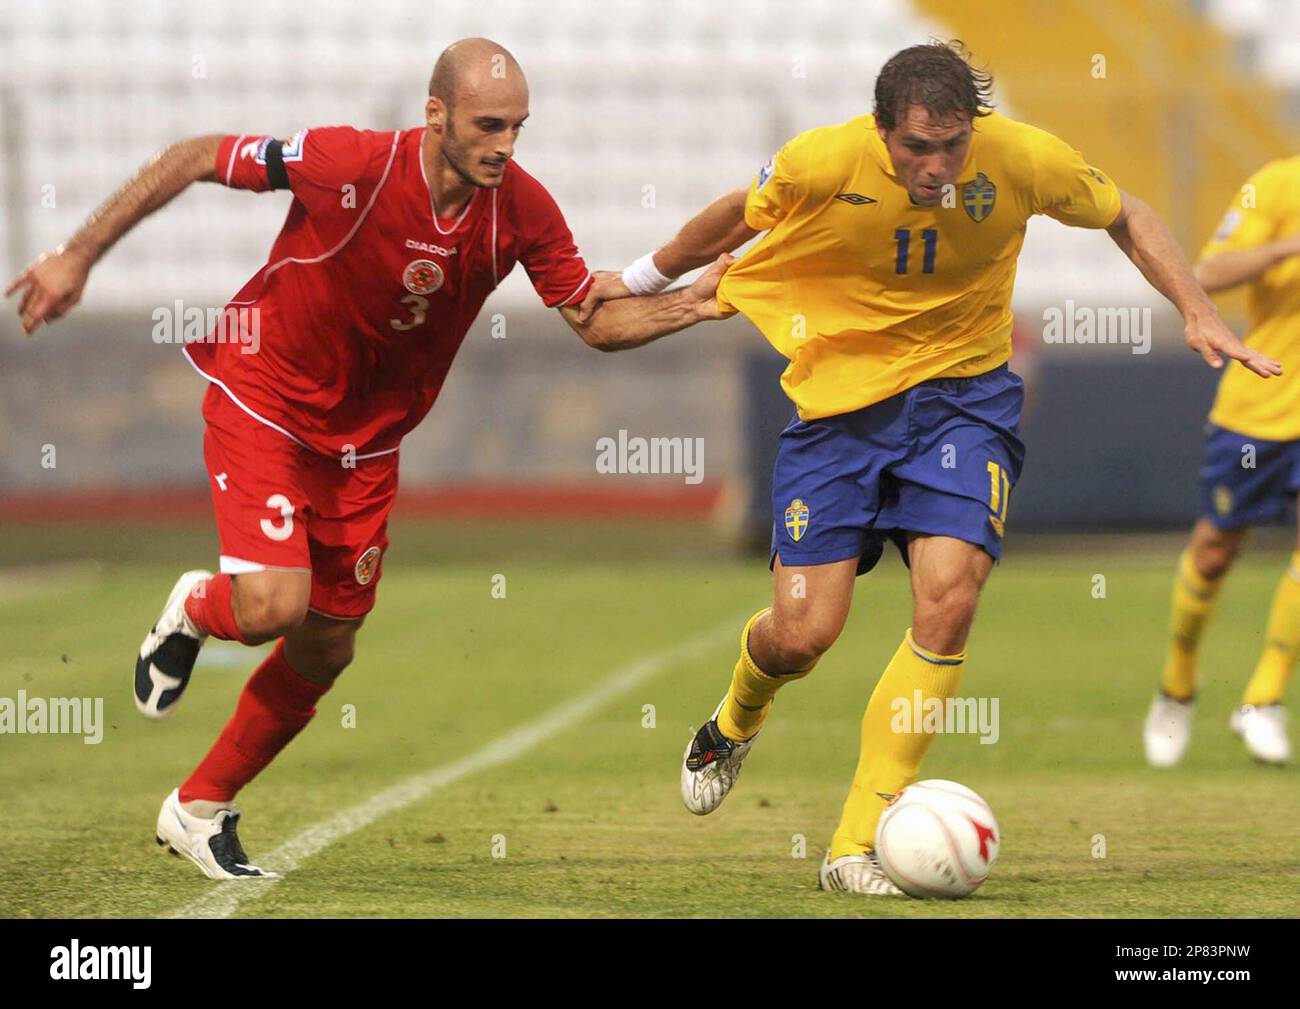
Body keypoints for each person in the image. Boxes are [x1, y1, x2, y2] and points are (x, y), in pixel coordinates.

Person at [6, 37, 728, 880]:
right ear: (435, 115)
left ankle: (197, 807)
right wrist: (78, 253)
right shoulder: (345, 162)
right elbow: (196, 155)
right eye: (488, 125)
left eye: (518, 127)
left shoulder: (523, 208)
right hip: (265, 396)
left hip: (367, 444)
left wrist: (698, 306)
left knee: (326, 647)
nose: (505, 145)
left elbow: (593, 319)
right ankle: (201, 609)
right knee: (276, 603)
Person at [581, 40, 1280, 895]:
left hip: (962, 404)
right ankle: (738, 713)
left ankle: (853, 842)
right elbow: (738, 214)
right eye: (918, 147)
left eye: (953, 144)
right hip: (837, 414)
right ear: (882, 133)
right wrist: (651, 276)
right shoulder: (823, 160)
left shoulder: (1022, 157)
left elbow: (1127, 212)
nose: (938, 165)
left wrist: (1197, 311)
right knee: (803, 633)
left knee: (949, 600)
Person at [1144, 155, 1300, 768]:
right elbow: (1209, 270)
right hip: (1261, 405)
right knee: (1214, 552)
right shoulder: (1276, 185)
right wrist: (1290, 244)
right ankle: (1177, 685)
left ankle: (1264, 697)